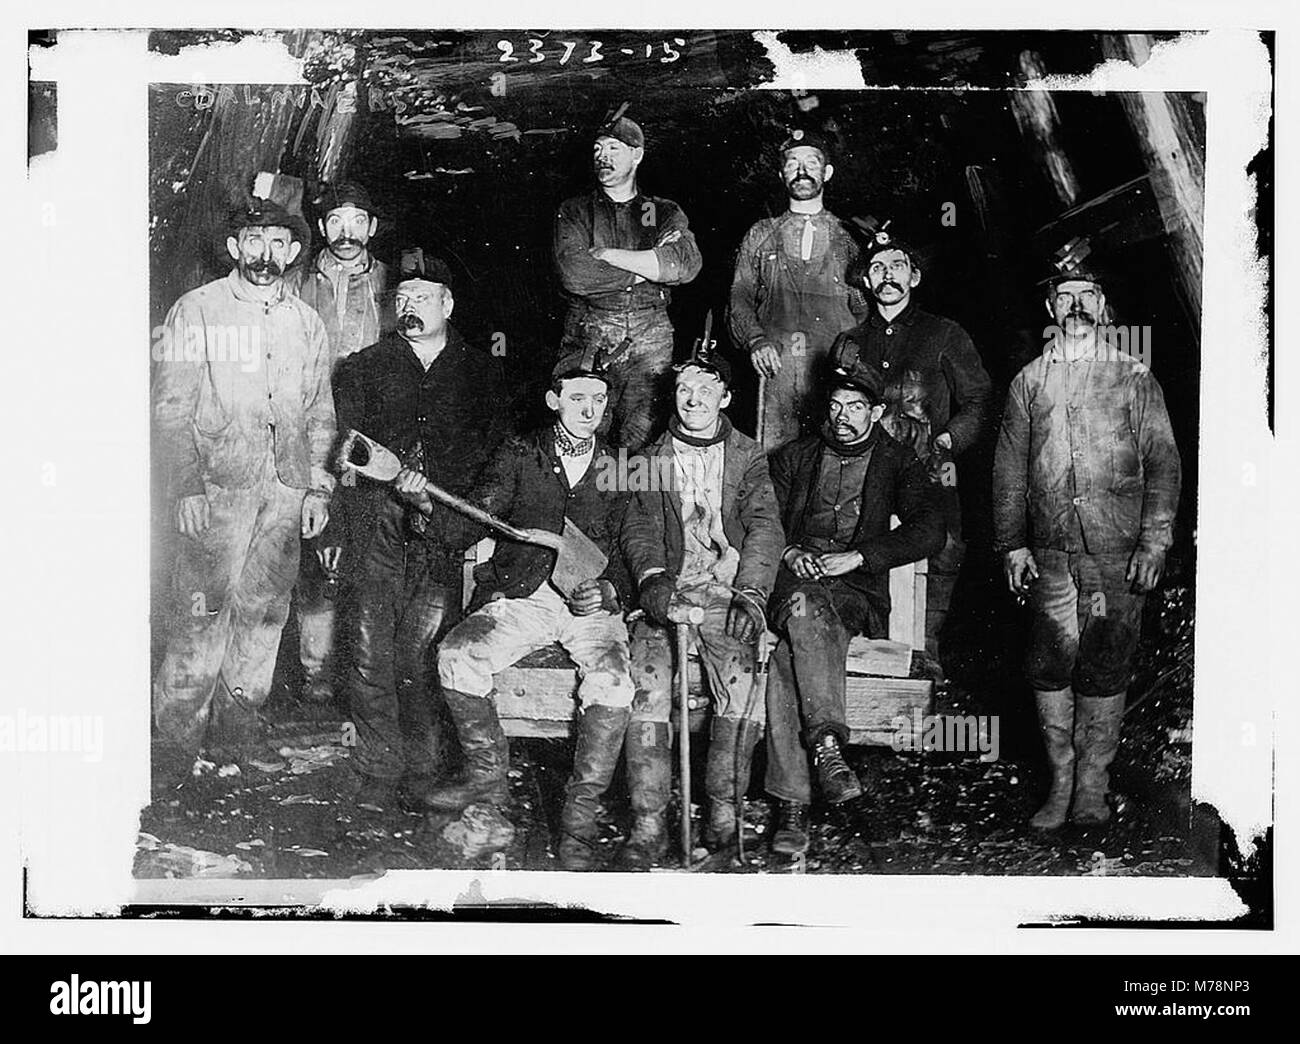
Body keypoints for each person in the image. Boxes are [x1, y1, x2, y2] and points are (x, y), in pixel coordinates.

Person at [396, 348, 635, 870]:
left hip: (592, 603)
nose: (589, 409)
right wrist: (423, 502)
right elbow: (469, 522)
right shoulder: (520, 453)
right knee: (457, 655)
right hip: (526, 595)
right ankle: (488, 786)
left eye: (599, 399)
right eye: (577, 397)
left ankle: (579, 823)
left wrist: (611, 589)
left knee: (614, 681)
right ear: (553, 400)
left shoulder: (621, 465)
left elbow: (638, 543)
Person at [994, 261, 1180, 829]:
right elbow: (1009, 470)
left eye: (1087, 295)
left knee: (1106, 659)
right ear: (1050, 308)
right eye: (1065, 295)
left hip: (1115, 551)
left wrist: (1153, 542)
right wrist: (1012, 544)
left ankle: (1093, 786)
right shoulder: (1030, 381)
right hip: (1051, 551)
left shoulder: (1133, 377)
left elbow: (1163, 464)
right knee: (1049, 661)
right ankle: (1061, 783)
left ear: (1103, 306)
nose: (1075, 305)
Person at [152, 199, 335, 765]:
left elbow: (320, 412)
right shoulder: (198, 310)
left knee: (265, 614)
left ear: (294, 251)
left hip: (284, 492)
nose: (265, 254)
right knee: (200, 614)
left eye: (278, 242)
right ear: (235, 247)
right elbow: (170, 408)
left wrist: (317, 487)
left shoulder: (306, 322)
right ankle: (176, 744)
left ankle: (236, 732)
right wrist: (186, 486)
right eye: (254, 240)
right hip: (217, 489)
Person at [331, 251, 506, 811]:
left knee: (422, 652)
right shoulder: (363, 367)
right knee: (368, 647)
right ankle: (379, 766)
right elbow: (347, 457)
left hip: (444, 529)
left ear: (447, 305)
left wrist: (460, 516)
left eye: (423, 297)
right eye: (402, 297)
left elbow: (497, 459)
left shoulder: (482, 372)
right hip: (377, 521)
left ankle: (426, 767)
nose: (409, 305)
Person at [763, 354, 945, 856]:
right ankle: (827, 747)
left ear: (876, 412)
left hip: (852, 594)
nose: (843, 416)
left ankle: (793, 804)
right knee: (801, 613)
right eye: (836, 405)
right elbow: (758, 519)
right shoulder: (795, 457)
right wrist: (789, 552)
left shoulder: (897, 460)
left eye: (856, 407)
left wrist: (860, 557)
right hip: (795, 586)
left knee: (788, 654)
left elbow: (931, 528)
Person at [617, 350, 785, 869]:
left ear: (725, 398)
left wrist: (752, 593)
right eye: (685, 389)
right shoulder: (648, 458)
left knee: (741, 684)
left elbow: (765, 527)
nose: (693, 400)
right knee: (646, 687)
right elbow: (638, 527)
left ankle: (723, 814)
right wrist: (653, 584)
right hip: (669, 592)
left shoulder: (748, 456)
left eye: (706, 390)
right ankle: (648, 822)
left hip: (723, 590)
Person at [831, 227, 992, 665]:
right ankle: (872, 662)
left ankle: (926, 657)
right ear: (866, 280)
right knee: (864, 557)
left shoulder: (945, 334)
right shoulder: (848, 344)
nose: (887, 275)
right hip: (865, 479)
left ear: (914, 277)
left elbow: (978, 400)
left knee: (940, 554)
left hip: (930, 471)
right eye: (877, 268)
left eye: (897, 266)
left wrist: (948, 438)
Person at [287, 181, 392, 712]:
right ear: (321, 226)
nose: (346, 232)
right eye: (335, 221)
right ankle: (316, 675)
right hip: (312, 426)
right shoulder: (297, 280)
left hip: (373, 431)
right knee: (318, 553)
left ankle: (364, 679)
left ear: (371, 227)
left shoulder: (395, 284)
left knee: (369, 552)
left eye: (356, 221)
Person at [553, 109, 702, 450]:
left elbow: (684, 264)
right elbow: (575, 274)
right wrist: (649, 268)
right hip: (591, 332)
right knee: (585, 433)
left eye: (613, 148)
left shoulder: (663, 211)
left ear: (637, 155)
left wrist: (607, 254)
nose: (602, 157)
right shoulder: (575, 210)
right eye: (597, 149)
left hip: (651, 338)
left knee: (644, 438)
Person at [728, 129, 865, 452]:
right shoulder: (760, 234)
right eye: (792, 164)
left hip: (834, 368)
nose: (802, 171)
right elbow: (739, 296)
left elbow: (865, 308)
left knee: (833, 457)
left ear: (826, 172)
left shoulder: (850, 237)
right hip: (777, 366)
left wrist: (857, 351)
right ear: (781, 175)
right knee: (775, 459)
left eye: (811, 163)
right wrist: (755, 339)